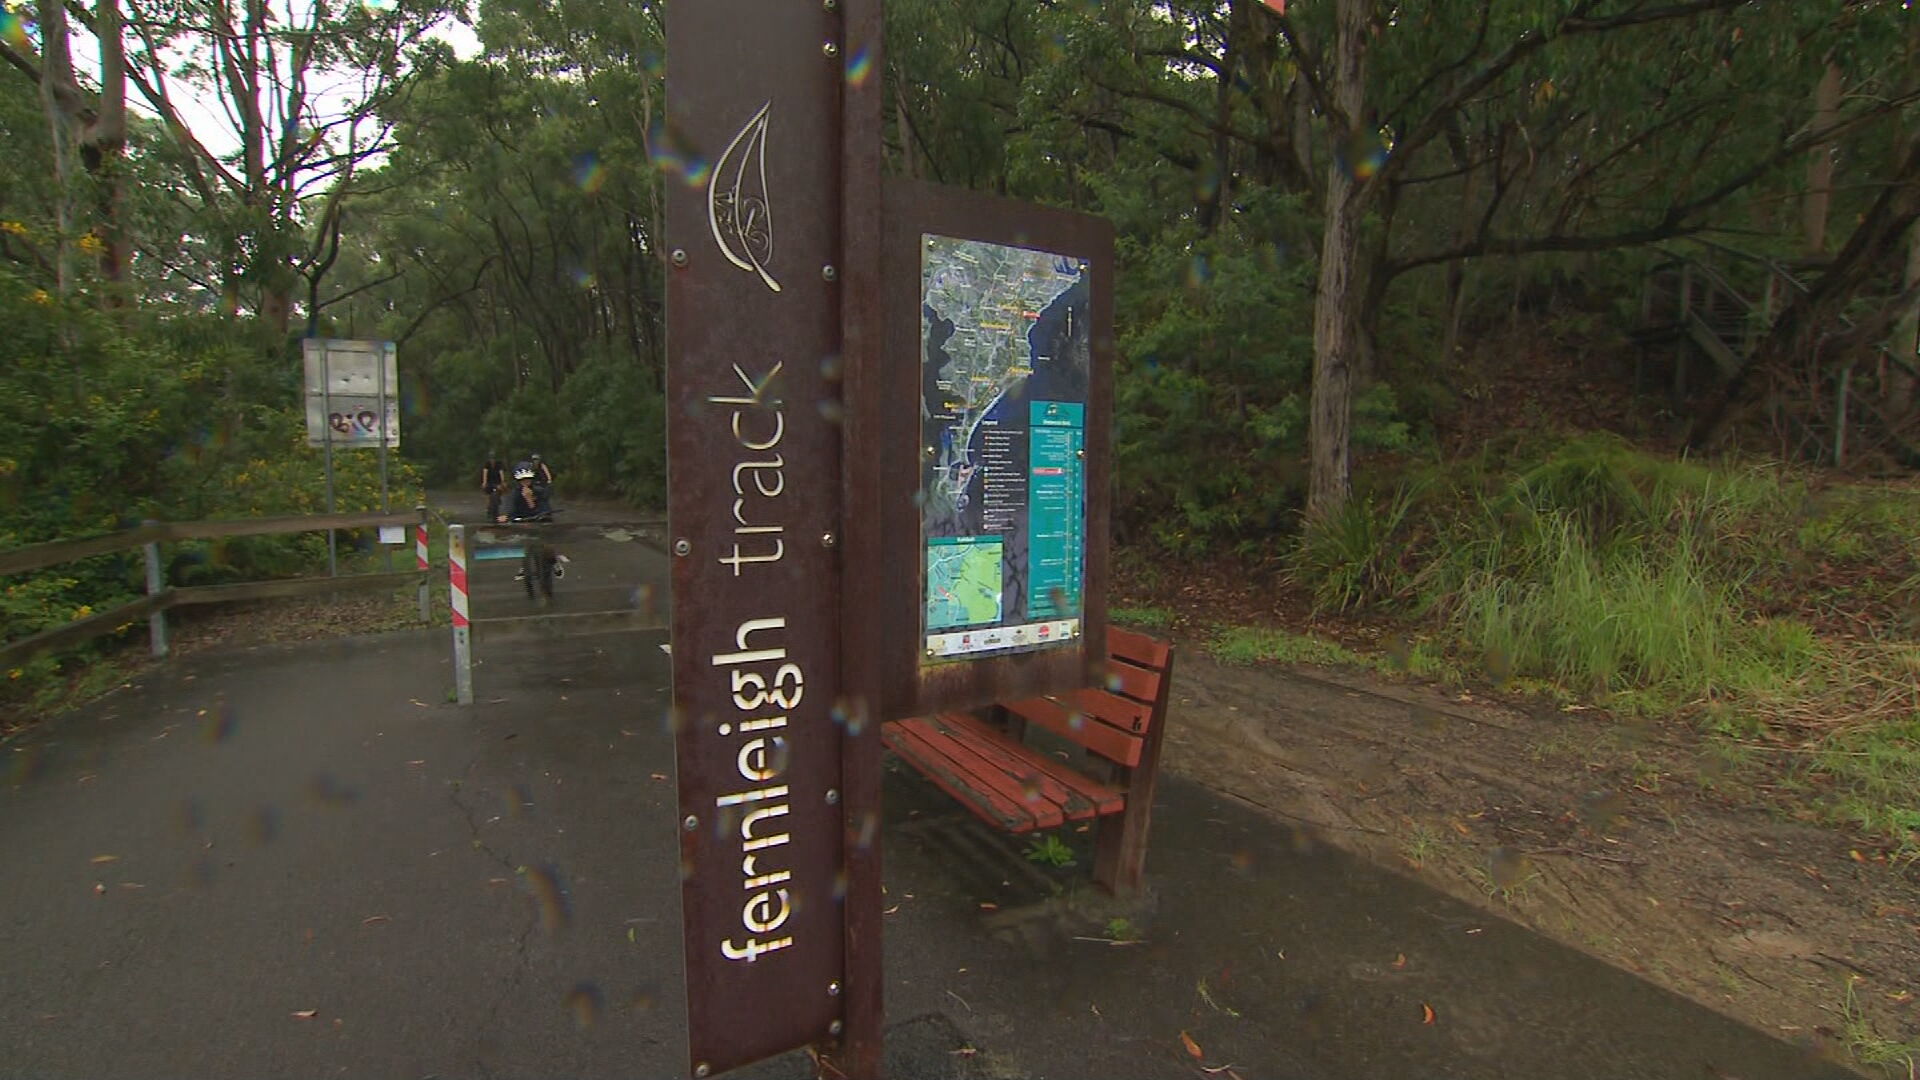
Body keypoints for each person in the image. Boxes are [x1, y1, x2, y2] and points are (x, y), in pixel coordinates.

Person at [480, 454, 507, 522]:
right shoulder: (487, 464)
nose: (492, 460)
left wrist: (503, 481)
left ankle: (497, 504)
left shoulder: (499, 464)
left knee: (499, 492)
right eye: (491, 459)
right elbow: (485, 473)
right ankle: (488, 508)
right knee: (489, 495)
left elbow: (501, 473)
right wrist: (484, 482)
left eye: (493, 459)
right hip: (489, 482)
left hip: (497, 482)